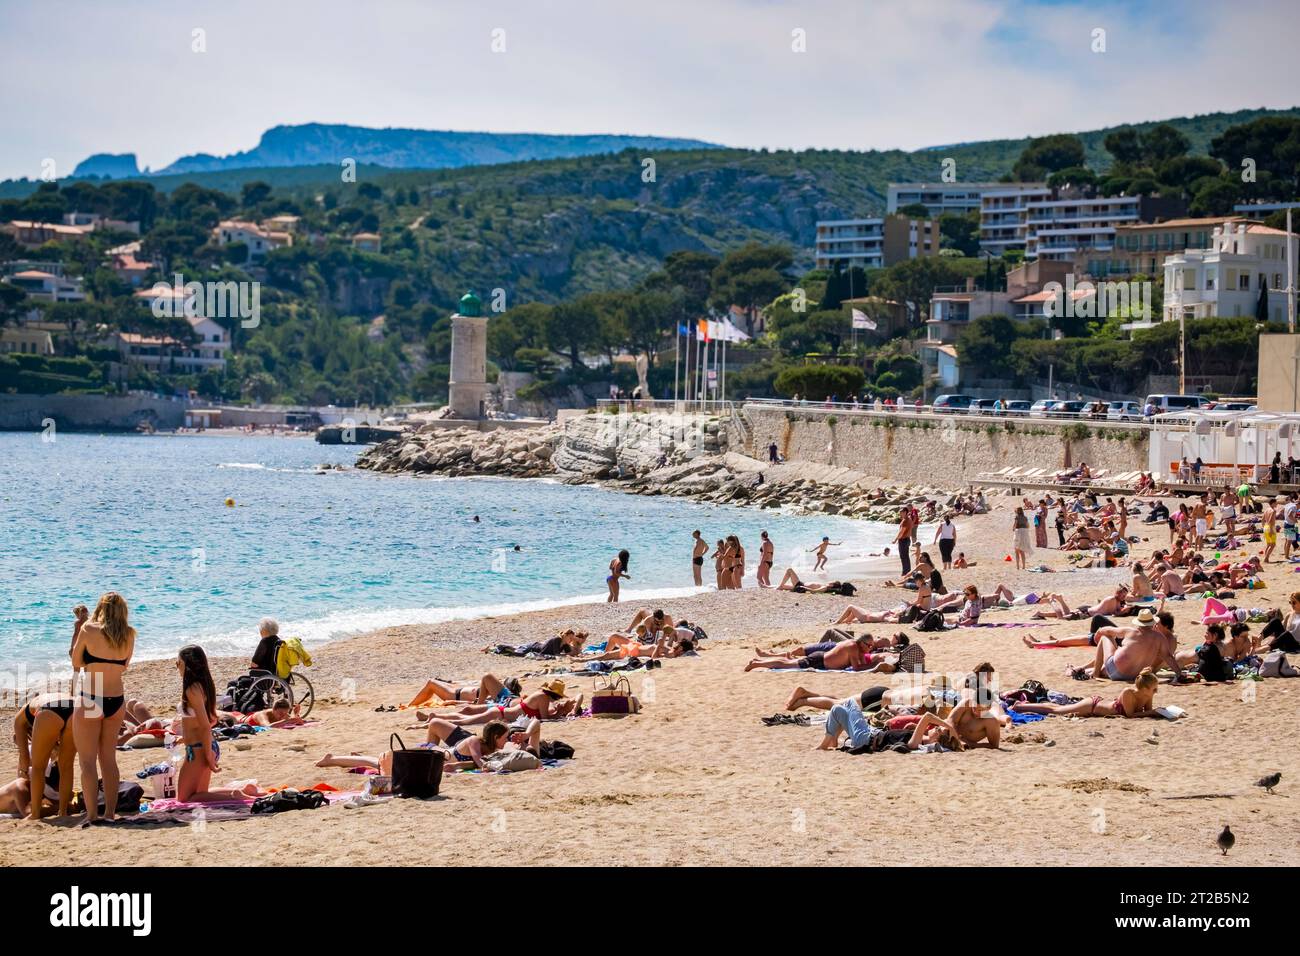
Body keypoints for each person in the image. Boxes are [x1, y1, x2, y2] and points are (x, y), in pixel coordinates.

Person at [71, 592, 136, 824]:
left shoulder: (88, 629)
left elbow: (76, 662)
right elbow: (125, 665)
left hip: (91, 694)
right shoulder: (129, 634)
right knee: (108, 759)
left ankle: (91, 815)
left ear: (101, 608)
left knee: (87, 761)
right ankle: (110, 813)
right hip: (115, 698)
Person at [176, 645, 263, 803]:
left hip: (199, 749)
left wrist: (208, 754)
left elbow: (204, 725)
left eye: (178, 662)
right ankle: (242, 791)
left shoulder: (192, 689)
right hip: (204, 745)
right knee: (201, 793)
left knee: (184, 798)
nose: (177, 666)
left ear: (187, 664)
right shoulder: (204, 686)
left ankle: (234, 795)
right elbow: (212, 718)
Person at [13, 693, 77, 820]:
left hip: (49, 710)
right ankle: (63, 812)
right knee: (67, 766)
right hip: (75, 707)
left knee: (38, 768)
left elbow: (24, 758)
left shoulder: (19, 720)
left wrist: (24, 773)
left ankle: (35, 814)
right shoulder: (38, 702)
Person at [1011, 668, 1163, 718]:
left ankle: (1028, 705)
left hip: (1098, 704)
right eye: (1154, 689)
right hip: (1092, 705)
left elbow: (1148, 711)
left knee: (1056, 708)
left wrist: (1154, 712)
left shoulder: (1146, 695)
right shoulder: (1128, 692)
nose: (1156, 691)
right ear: (1144, 688)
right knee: (1056, 710)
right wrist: (1152, 713)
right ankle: (1020, 707)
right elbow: (1130, 716)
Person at [744, 635, 875, 672]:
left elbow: (862, 664)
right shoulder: (852, 646)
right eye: (869, 645)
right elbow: (857, 668)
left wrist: (871, 665)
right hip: (819, 660)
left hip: (821, 660)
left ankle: (759, 662)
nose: (870, 648)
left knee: (788, 662)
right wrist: (875, 666)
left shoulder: (857, 648)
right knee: (786, 664)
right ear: (862, 643)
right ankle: (756, 664)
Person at [1012, 506, 1033, 570]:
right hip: (1025, 533)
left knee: (1017, 550)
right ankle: (1023, 566)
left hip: (1018, 532)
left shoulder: (1017, 517)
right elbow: (1028, 525)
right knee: (1022, 550)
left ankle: (1018, 566)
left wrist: (1013, 529)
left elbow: (1015, 525)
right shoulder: (1025, 517)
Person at [894, 510, 914, 576]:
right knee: (906, 556)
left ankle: (905, 572)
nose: (900, 514)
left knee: (903, 556)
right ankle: (907, 571)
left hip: (903, 540)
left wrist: (895, 539)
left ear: (905, 512)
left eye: (901, 512)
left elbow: (902, 531)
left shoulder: (905, 520)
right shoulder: (909, 519)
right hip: (907, 539)